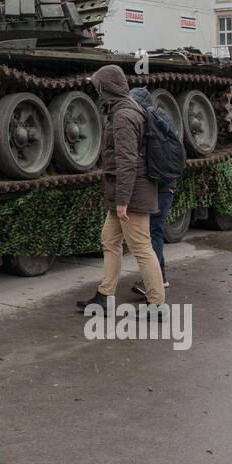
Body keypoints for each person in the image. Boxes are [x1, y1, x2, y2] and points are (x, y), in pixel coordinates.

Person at [76, 65, 166, 312]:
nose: (97, 91)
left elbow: (127, 160)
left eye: (98, 86)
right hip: (123, 192)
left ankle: (157, 304)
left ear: (107, 88)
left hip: (131, 193)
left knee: (141, 247)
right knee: (110, 240)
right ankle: (105, 296)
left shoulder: (124, 116)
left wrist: (123, 200)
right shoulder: (124, 110)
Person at [129, 87, 177, 293]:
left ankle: (156, 282)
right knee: (154, 232)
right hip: (168, 183)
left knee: (152, 233)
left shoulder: (146, 122)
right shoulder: (163, 117)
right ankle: (159, 277)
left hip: (157, 185)